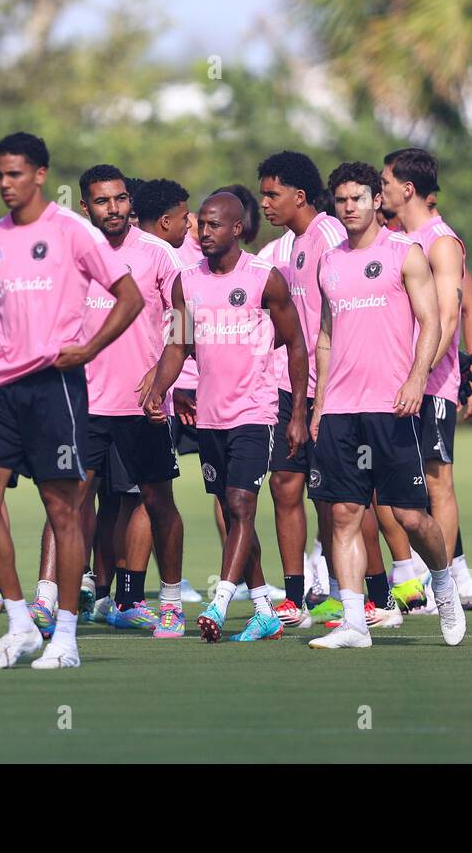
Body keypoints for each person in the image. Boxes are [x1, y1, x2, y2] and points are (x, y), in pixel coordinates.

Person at [0, 132, 143, 670]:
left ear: (39, 174)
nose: (5, 184)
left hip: (56, 387)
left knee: (65, 510)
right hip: (3, 392)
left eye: (15, 174)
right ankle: (20, 623)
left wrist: (89, 348)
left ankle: (66, 637)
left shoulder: (73, 232)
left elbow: (130, 298)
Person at [308, 160, 466, 649]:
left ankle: (443, 585)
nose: (349, 207)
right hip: (340, 409)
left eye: (358, 198)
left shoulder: (406, 251)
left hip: (392, 406)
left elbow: (433, 322)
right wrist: (318, 404)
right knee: (344, 515)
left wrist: (418, 380)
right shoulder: (329, 261)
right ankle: (355, 623)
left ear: (378, 199)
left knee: (409, 515)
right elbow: (327, 338)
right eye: (341, 200)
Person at [143, 191, 307, 644]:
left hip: (255, 412)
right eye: (202, 225)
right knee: (234, 511)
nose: (205, 232)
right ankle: (263, 610)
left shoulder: (265, 278)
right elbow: (177, 345)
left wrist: (299, 413)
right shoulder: (185, 282)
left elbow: (295, 343)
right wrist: (159, 389)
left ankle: (218, 603)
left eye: (215, 225)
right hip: (209, 417)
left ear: (237, 228)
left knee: (241, 504)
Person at [381, 147, 472, 612]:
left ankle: (441, 587)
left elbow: (448, 319)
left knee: (436, 483)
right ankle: (406, 579)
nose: (381, 189)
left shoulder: (442, 241)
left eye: (386, 182)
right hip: (394, 382)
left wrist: (417, 374)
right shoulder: (393, 239)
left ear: (407, 189)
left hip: (431, 386)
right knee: (387, 488)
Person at [75, 164, 187, 636]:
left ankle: (170, 603)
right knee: (71, 501)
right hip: (82, 403)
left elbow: (184, 324)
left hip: (144, 405)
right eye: (102, 201)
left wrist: (161, 379)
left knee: (156, 501)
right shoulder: (73, 253)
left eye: (120, 199)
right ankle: (52, 600)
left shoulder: (159, 254)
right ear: (86, 207)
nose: (114, 208)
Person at [256, 150, 346, 629]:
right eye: (263, 194)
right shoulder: (290, 246)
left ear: (300, 195)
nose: (265, 203)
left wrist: (328, 392)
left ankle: (346, 594)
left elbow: (342, 319)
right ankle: (294, 596)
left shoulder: (330, 235)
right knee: (284, 484)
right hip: (292, 386)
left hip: (331, 389)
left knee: (334, 496)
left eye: (273, 194)